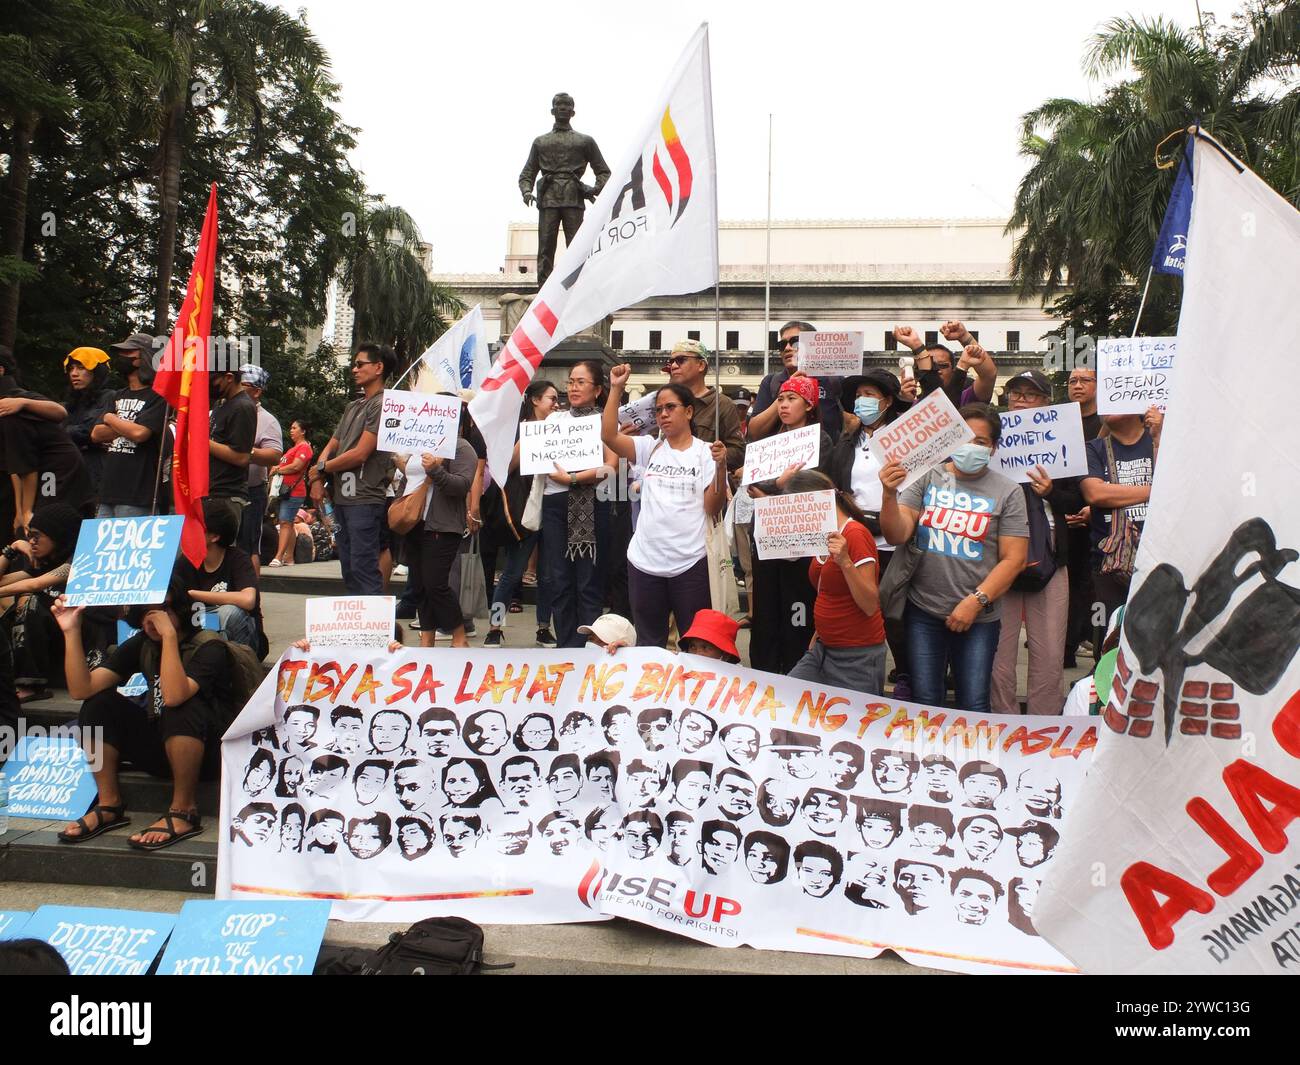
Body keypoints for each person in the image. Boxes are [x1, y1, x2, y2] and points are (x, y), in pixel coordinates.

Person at [52, 575, 238, 850]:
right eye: (146, 613)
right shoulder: (143, 643)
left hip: (211, 755)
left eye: (163, 610)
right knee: (98, 703)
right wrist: (71, 631)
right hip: (164, 744)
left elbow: (174, 695)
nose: (153, 620)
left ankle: (184, 810)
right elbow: (82, 688)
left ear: (181, 610)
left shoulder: (210, 646)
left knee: (179, 703)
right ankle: (109, 804)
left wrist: (170, 637)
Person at [880, 403, 1029, 714]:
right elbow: (897, 534)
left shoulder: (1009, 491)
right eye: (964, 438)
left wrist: (975, 602)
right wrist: (888, 495)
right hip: (923, 611)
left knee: (973, 703)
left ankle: (971, 762)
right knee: (925, 700)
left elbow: (1013, 560)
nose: (970, 447)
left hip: (979, 618)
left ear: (993, 448)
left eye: (981, 442)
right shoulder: (925, 478)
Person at [602, 363, 728, 647]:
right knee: (649, 644)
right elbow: (609, 435)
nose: (663, 414)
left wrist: (721, 468)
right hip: (645, 562)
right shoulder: (649, 448)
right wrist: (616, 388)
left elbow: (712, 507)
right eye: (659, 410)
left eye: (671, 407)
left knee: (695, 643)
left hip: (690, 563)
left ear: (689, 411)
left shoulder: (706, 453)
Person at [991, 370, 1083, 716]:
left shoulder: (1065, 443)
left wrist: (1051, 494)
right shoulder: (991, 442)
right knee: (999, 651)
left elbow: (1078, 499)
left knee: (1049, 650)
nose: (1021, 401)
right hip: (999, 559)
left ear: (1047, 402)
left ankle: (1043, 725)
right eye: (1016, 394)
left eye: (1031, 395)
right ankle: (1001, 720)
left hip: (1050, 558)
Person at [831, 368, 912, 696]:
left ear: (888, 401)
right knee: (860, 609)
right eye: (858, 395)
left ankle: (906, 673)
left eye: (870, 395)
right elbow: (838, 484)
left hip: (895, 538)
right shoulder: (848, 440)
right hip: (858, 538)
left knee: (895, 614)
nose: (862, 401)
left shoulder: (905, 439)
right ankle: (860, 675)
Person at [746, 376, 834, 674]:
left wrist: (776, 487)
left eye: (791, 399)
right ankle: (765, 668)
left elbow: (811, 486)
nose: (783, 405)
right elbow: (752, 484)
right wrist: (773, 487)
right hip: (766, 534)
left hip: (801, 539)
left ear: (809, 405)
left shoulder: (821, 440)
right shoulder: (768, 442)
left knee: (798, 605)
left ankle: (798, 669)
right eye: (780, 399)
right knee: (766, 607)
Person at [785, 469, 888, 694]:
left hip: (857, 655)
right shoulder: (822, 536)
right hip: (824, 648)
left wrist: (845, 562)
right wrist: (819, 633)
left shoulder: (855, 535)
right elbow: (829, 591)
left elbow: (870, 604)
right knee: (788, 700)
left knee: (853, 725)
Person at [540, 360, 616, 648]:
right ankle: (565, 647)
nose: (573, 387)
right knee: (559, 580)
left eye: (580, 382)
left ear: (597, 389)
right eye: (571, 381)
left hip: (592, 503)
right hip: (555, 504)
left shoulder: (604, 421)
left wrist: (573, 478)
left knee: (588, 582)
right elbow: (539, 457)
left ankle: (590, 647)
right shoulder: (554, 421)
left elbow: (611, 467)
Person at [310, 343, 395, 595]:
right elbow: (332, 445)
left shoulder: (384, 404)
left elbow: (360, 454)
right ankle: (357, 629)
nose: (354, 369)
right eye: (354, 364)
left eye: (360, 364)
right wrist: (318, 474)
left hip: (365, 499)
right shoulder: (353, 406)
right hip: (341, 499)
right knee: (348, 566)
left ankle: (376, 629)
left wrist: (321, 468)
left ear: (378, 368)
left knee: (363, 567)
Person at [483, 379, 558, 646]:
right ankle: (495, 627)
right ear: (535, 400)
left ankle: (543, 627)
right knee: (512, 572)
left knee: (548, 575)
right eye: (551, 398)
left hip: (552, 508)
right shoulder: (518, 430)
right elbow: (506, 468)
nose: (556, 404)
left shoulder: (562, 429)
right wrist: (530, 439)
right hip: (524, 509)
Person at [1081, 406, 1162, 651]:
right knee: (1107, 642)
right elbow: (1095, 493)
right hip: (1107, 565)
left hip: (1158, 562)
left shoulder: (1161, 441)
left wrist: (1159, 438)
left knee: (1156, 644)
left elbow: (1175, 484)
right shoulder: (1093, 449)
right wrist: (1154, 491)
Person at [400, 406, 477, 649]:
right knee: (421, 585)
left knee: (436, 584)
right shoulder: (418, 444)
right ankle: (427, 639)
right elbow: (409, 481)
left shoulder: (462, 448)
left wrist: (435, 469)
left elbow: (461, 485)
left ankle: (459, 635)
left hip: (442, 526)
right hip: (414, 523)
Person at [0, 349, 93, 527]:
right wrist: (19, 511)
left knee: (44, 522)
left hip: (55, 470)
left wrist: (26, 512)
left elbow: (59, 412)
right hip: (34, 470)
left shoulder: (11, 404)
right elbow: (16, 467)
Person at [0, 502, 81, 701]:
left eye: (37, 535)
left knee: (29, 601)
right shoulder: (43, 563)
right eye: (29, 536)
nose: (32, 541)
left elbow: (34, 585)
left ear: (58, 536)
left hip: (75, 636)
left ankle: (30, 685)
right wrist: (12, 548)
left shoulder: (75, 563)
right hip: (42, 638)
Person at [93, 335, 167, 517]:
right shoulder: (116, 395)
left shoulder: (158, 397)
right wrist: (128, 427)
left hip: (138, 494)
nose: (122, 356)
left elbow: (140, 433)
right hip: (107, 491)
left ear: (146, 357)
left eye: (128, 352)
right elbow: (96, 434)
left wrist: (110, 418)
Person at [182, 498, 262, 654]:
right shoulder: (186, 561)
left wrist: (191, 594)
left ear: (214, 536)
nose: (189, 531)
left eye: (196, 526)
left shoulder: (237, 559)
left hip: (242, 640)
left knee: (229, 613)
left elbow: (248, 600)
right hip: (201, 633)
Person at [747, 321, 846, 443]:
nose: (787, 348)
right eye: (783, 344)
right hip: (783, 457)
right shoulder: (771, 383)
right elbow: (754, 433)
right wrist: (787, 390)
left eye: (795, 342)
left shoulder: (834, 381)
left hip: (825, 459)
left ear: (813, 346)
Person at [1064, 366, 1101, 667]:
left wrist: (1095, 508)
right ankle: (1065, 645)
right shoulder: (1059, 422)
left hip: (1096, 519)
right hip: (1064, 516)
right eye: (1072, 381)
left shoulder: (1109, 422)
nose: (1078, 386)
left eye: (1085, 380)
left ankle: (1086, 639)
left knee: (1089, 588)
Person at [237, 364, 283, 577]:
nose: (237, 387)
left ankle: (251, 598)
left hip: (251, 492)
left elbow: (274, 455)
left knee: (248, 547)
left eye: (243, 384)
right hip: (221, 490)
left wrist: (242, 451)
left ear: (256, 391)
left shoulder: (267, 420)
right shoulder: (219, 410)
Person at [893, 322, 997, 406]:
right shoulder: (913, 408)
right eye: (932, 366)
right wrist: (904, 402)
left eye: (943, 365)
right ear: (918, 373)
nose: (937, 371)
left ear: (953, 371)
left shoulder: (966, 399)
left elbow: (988, 375)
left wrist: (965, 337)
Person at [206, 364, 257, 532]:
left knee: (220, 553)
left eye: (212, 380)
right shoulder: (220, 405)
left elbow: (241, 457)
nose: (208, 385)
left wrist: (202, 443)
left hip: (226, 494)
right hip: (211, 491)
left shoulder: (242, 407)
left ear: (229, 377)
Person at [60, 347, 114, 496]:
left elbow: (93, 432)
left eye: (81, 367)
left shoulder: (110, 397)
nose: (74, 373)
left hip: (97, 470)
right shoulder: (69, 403)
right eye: (71, 369)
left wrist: (68, 432)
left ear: (97, 372)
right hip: (69, 469)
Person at [268, 417, 313, 567]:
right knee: (288, 522)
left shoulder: (304, 447)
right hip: (284, 491)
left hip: (294, 491)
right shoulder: (293, 448)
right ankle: (288, 557)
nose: (291, 431)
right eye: (291, 428)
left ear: (303, 431)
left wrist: (278, 470)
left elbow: (296, 466)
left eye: (295, 428)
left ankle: (279, 556)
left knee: (285, 522)